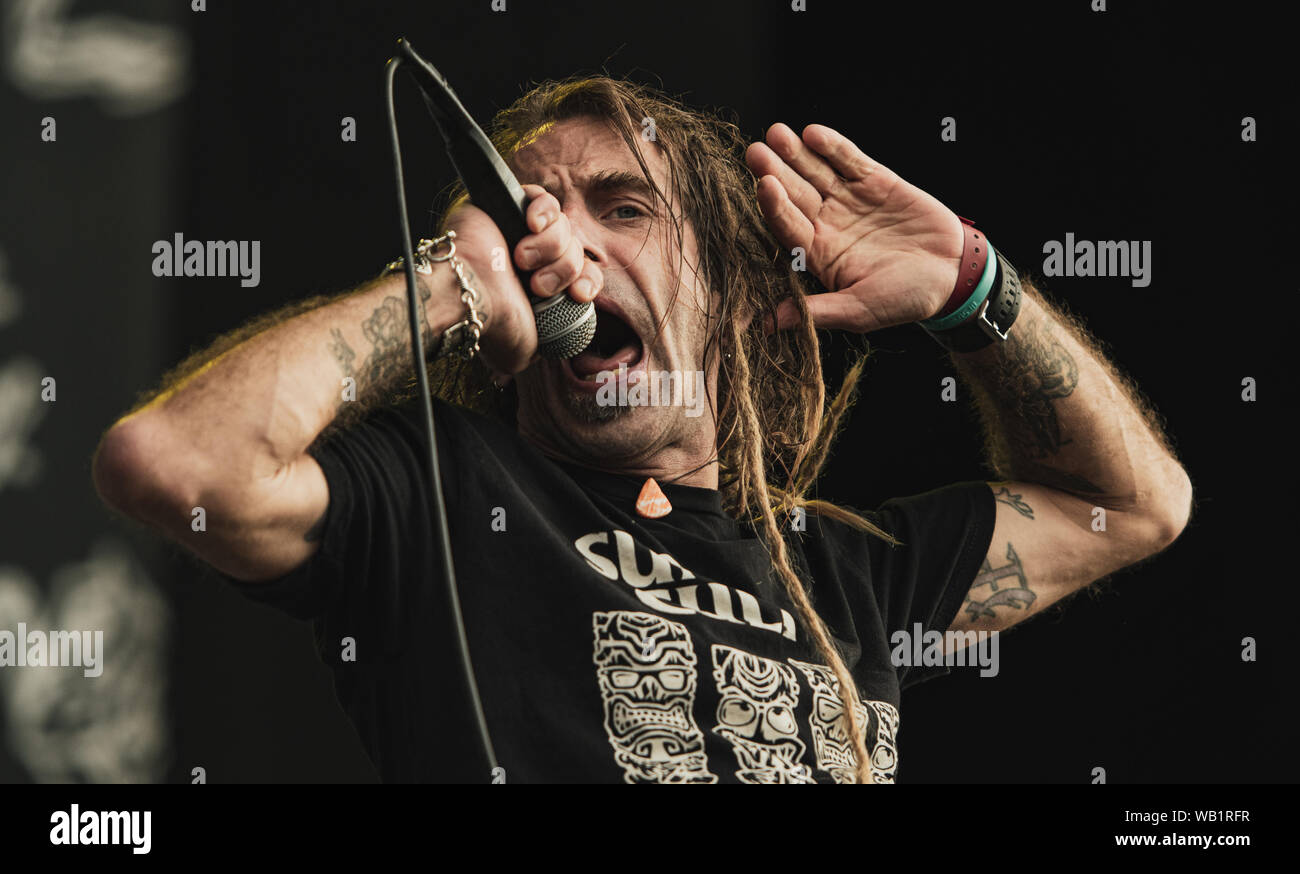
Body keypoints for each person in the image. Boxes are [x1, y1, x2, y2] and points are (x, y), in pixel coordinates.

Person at [91, 77, 1192, 784]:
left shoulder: (847, 571)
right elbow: (174, 463)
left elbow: (1136, 505)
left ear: (729, 285)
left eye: (622, 209)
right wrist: (448, 284)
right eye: (530, 213)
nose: (560, 241)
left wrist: (971, 290)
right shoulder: (443, 493)